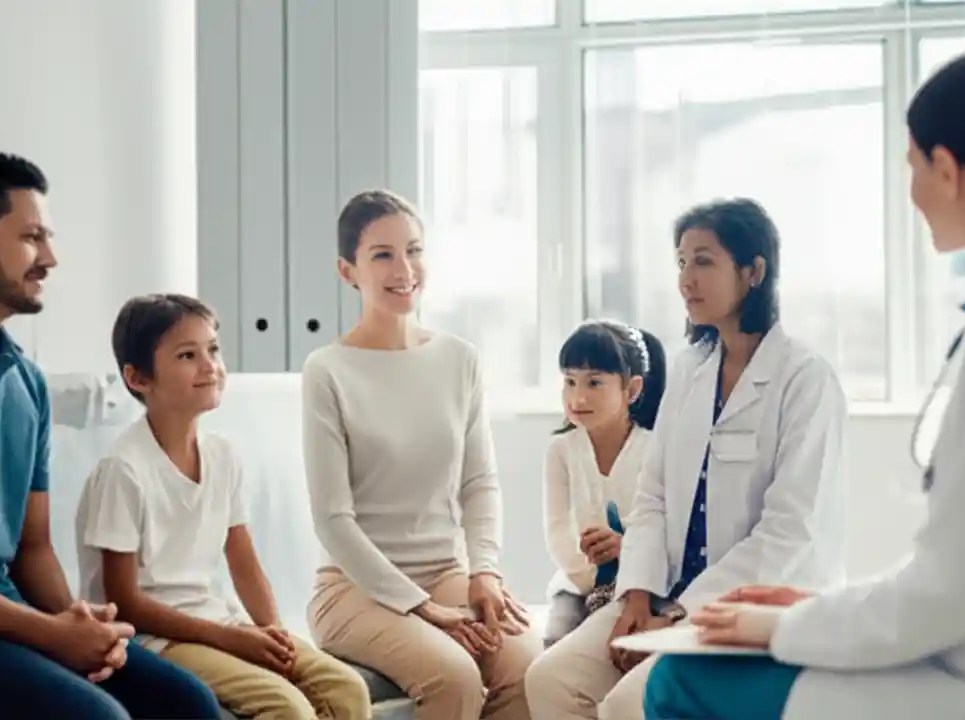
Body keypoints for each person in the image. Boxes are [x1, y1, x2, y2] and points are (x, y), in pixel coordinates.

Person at [644, 48, 965, 720]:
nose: (911, 191)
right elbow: (964, 569)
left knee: (678, 684)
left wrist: (789, 628)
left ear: (946, 168)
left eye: (911, 168)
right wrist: (819, 610)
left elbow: (948, 596)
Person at [0, 151, 222, 719]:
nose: (50, 257)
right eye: (32, 237)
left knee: (187, 703)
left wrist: (75, 621)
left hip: (6, 620)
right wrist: (47, 633)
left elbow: (31, 550)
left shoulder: (24, 381)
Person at [525, 197, 848, 719]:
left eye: (703, 261)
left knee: (628, 706)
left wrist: (680, 612)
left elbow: (790, 530)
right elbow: (653, 498)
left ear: (753, 271)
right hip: (658, 595)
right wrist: (635, 594)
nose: (685, 279)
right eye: (680, 262)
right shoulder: (689, 371)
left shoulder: (805, 380)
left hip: (747, 607)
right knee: (551, 682)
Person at [76, 293, 373, 720]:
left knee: (348, 690)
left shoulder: (223, 457)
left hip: (217, 620)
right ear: (138, 378)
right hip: (155, 640)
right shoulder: (124, 470)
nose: (209, 365)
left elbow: (244, 562)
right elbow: (125, 601)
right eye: (187, 355)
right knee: (287, 707)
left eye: (213, 349)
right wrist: (228, 639)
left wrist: (274, 634)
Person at [302, 189, 540, 720]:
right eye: (382, 254)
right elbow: (332, 520)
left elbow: (480, 483)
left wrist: (486, 573)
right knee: (453, 675)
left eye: (414, 250)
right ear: (349, 272)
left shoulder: (460, 359)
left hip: (446, 573)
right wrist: (421, 608)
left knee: (526, 662)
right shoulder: (328, 370)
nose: (403, 268)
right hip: (354, 589)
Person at [541, 320, 667, 647]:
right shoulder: (561, 451)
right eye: (570, 381)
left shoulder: (654, 449)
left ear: (633, 390)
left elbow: (665, 530)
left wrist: (626, 552)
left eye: (594, 383)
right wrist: (594, 583)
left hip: (643, 584)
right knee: (556, 638)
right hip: (579, 585)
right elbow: (558, 533)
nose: (577, 396)